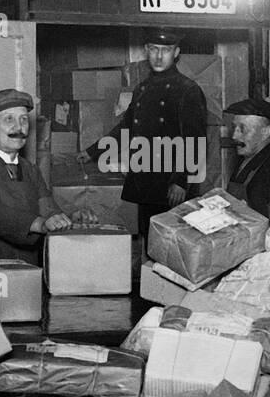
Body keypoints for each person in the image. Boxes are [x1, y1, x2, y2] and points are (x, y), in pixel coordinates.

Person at [79, 29, 209, 245]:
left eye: (166, 50)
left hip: (171, 184)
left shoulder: (187, 89)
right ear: (146, 51)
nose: (159, 56)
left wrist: (181, 180)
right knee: (150, 240)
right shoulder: (142, 89)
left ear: (176, 52)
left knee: (172, 244)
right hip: (147, 179)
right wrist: (92, 151)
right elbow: (126, 127)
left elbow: (195, 139)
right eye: (154, 49)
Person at [0, 88, 99, 262]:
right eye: (8, 119)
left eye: (23, 119)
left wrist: (70, 217)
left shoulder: (29, 169)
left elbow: (47, 209)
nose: (19, 127)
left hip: (25, 272)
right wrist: (38, 223)